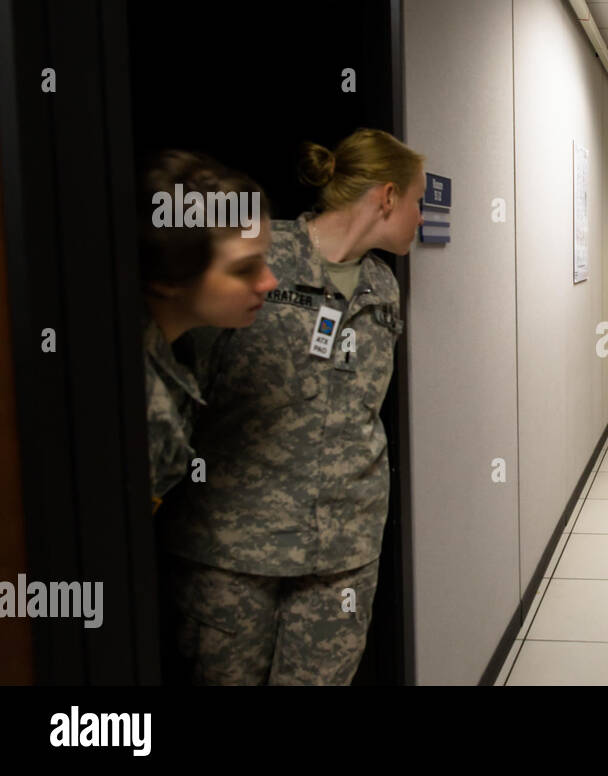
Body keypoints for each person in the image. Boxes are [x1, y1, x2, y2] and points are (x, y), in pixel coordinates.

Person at [162, 128, 422, 685]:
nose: (422, 218)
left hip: (344, 547)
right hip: (233, 545)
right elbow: (186, 384)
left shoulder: (383, 287)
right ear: (387, 197)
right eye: (418, 200)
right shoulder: (258, 257)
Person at [140, 151, 276, 513]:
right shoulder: (138, 395)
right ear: (170, 277)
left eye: (265, 259)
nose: (268, 282)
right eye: (245, 268)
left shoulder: (174, 355)